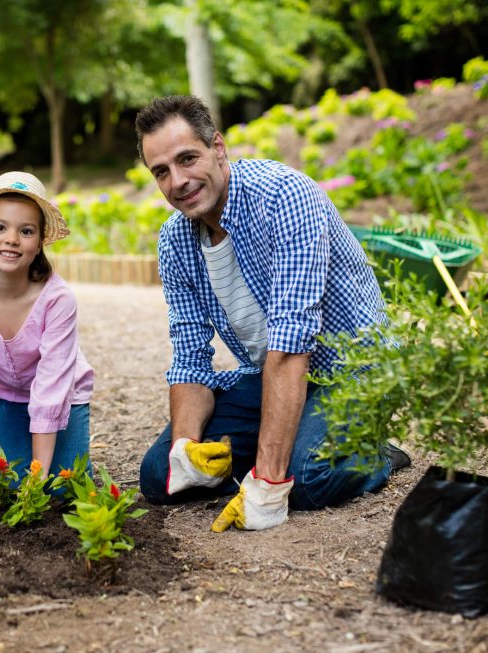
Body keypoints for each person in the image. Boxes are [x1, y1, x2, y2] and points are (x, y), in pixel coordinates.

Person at [134, 95, 410, 532]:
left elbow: (292, 343)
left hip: (354, 371)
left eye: (188, 159)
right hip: (274, 379)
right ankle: (283, 447)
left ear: (218, 147)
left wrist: (268, 482)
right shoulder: (174, 242)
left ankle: (375, 453)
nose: (178, 181)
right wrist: (186, 451)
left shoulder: (284, 197)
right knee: (160, 478)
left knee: (305, 483)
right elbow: (189, 358)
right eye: (162, 172)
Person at [0, 171, 94, 490]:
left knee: (61, 487)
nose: (12, 239)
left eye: (26, 231)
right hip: (5, 395)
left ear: (39, 243)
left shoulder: (57, 300)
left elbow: (52, 384)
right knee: (7, 484)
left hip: (62, 395)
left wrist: (38, 474)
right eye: (0, 227)